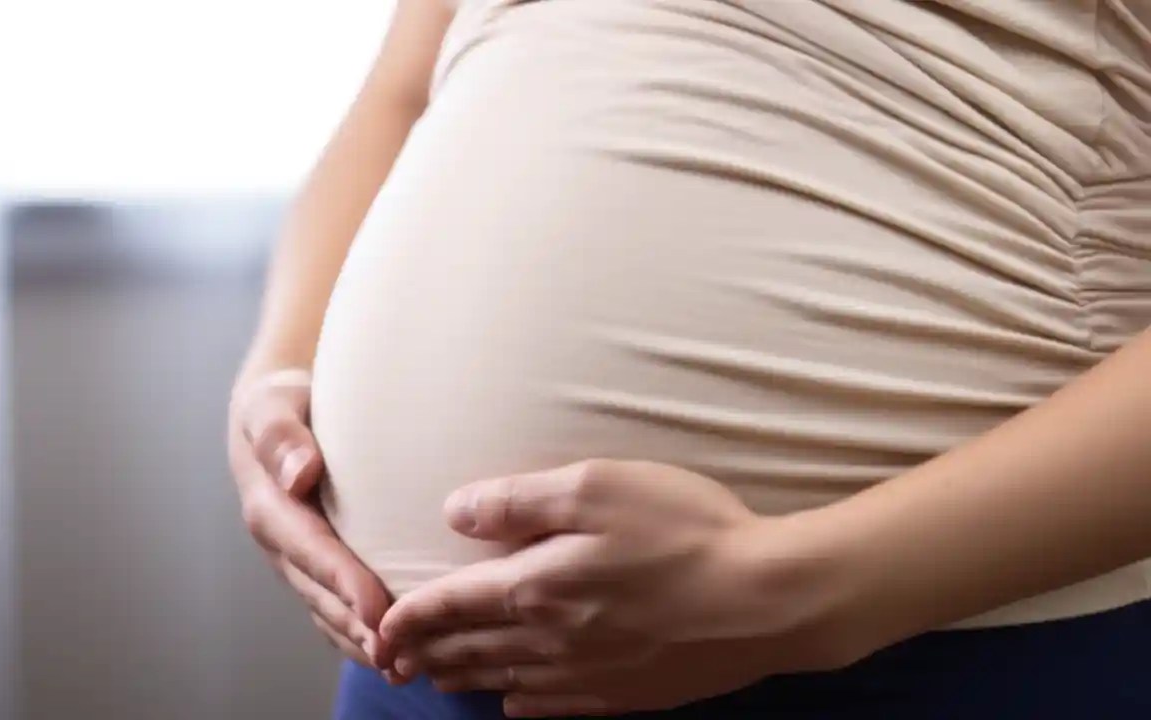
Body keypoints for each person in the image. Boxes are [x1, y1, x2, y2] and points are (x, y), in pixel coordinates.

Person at [227, 1, 1151, 717]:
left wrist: (803, 592)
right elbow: (406, 86)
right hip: (419, 669)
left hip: (936, 651)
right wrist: (277, 376)